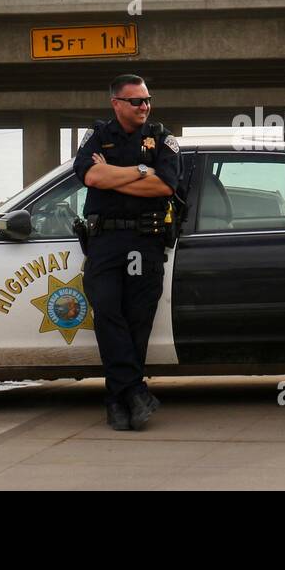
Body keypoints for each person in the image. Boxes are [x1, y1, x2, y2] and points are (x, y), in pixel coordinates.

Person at [73, 74, 180, 431]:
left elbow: (164, 185)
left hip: (146, 241)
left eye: (148, 100)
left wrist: (112, 173)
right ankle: (133, 392)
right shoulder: (97, 136)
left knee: (138, 321)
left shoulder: (163, 138)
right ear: (116, 103)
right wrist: (138, 171)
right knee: (107, 314)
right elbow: (90, 177)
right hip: (105, 242)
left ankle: (117, 400)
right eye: (136, 101)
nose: (144, 107)